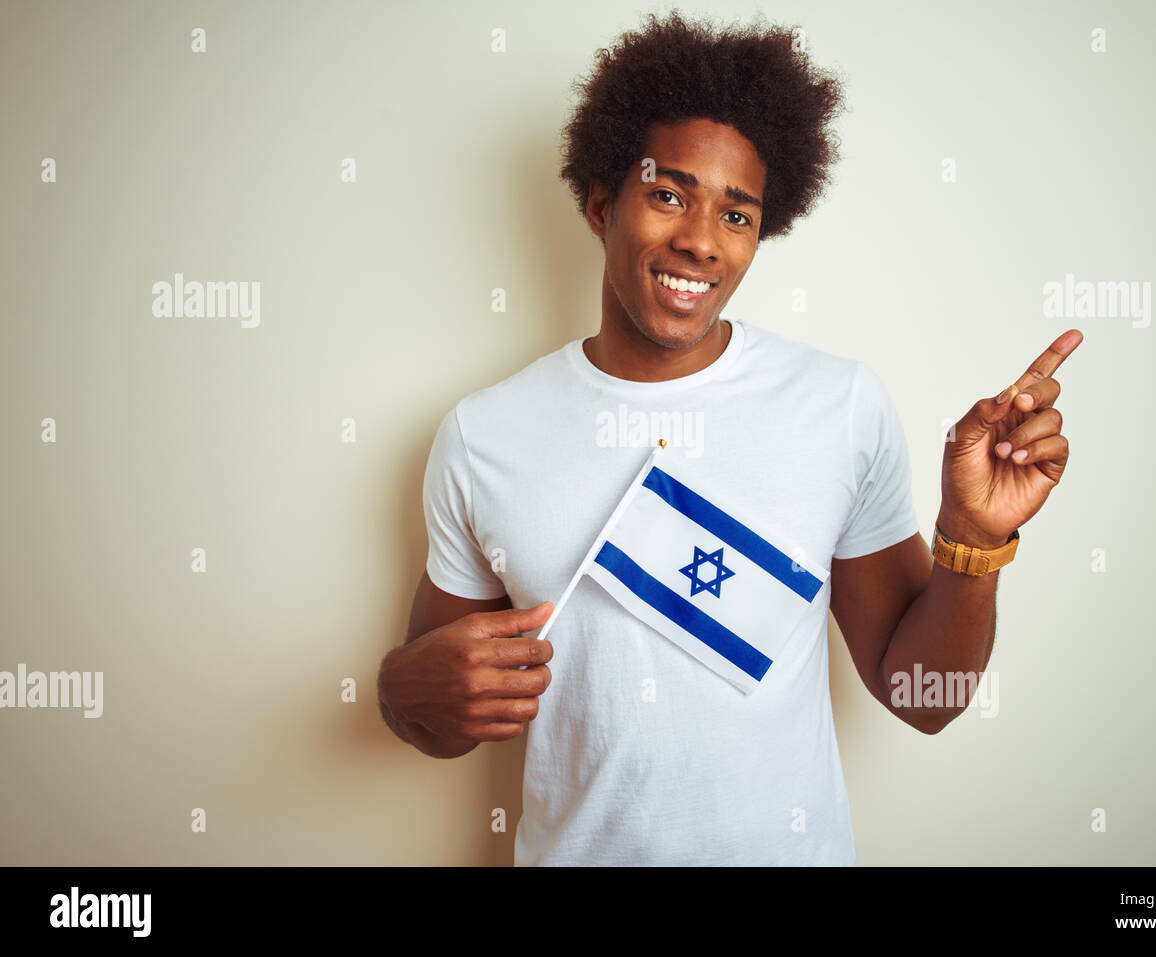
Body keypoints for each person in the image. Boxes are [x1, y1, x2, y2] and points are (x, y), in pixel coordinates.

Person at [377, 9, 1078, 866]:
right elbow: (440, 714)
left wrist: (974, 537)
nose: (701, 241)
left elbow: (920, 697)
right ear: (602, 205)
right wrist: (394, 690)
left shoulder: (838, 404)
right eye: (668, 193)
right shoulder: (483, 436)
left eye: (736, 214)